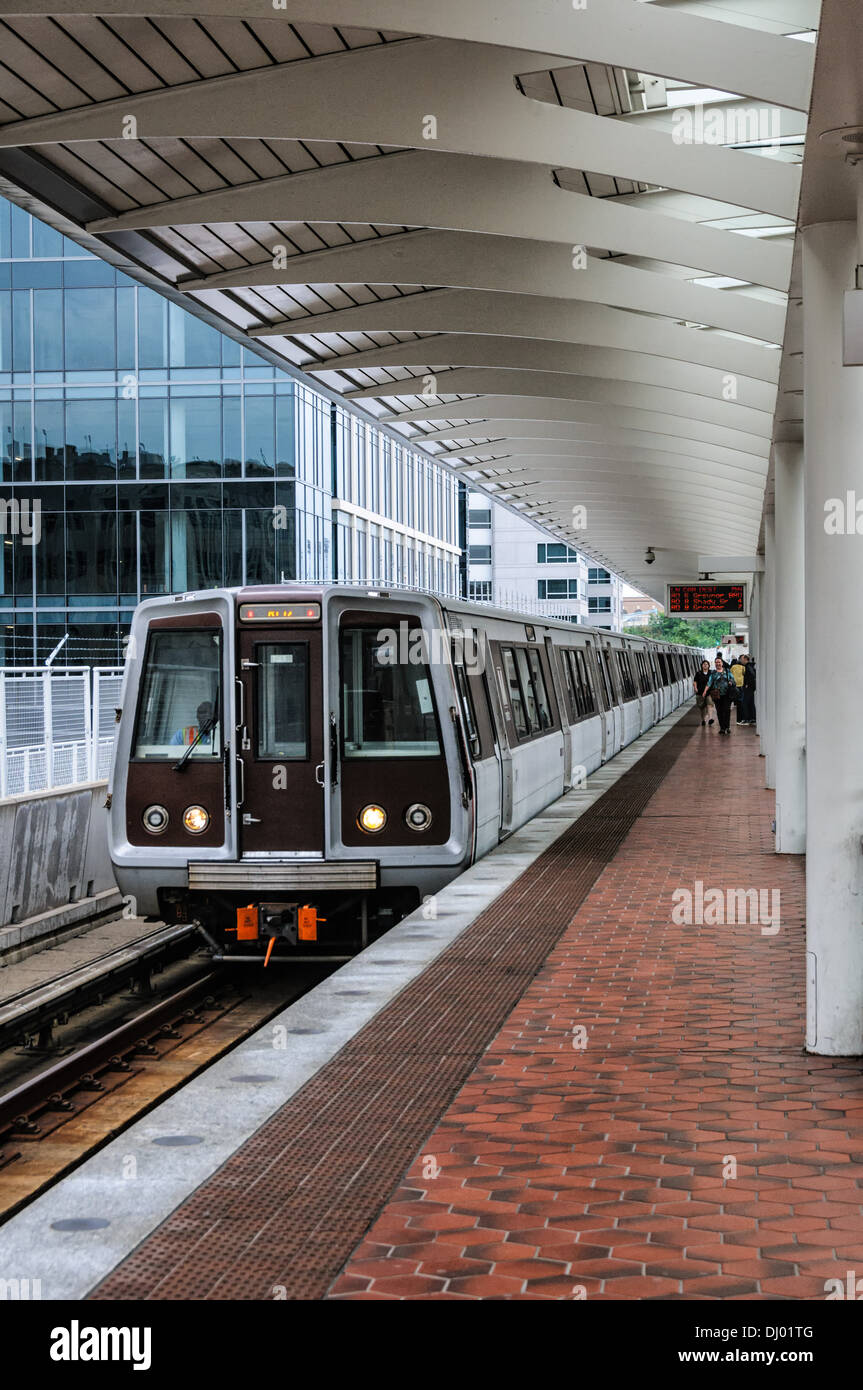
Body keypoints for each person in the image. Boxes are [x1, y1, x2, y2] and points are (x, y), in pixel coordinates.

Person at [705, 656, 736, 736]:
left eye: (719, 662)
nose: (718, 663)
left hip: (727, 694)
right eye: (716, 662)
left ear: (722, 663)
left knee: (726, 710)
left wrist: (731, 682)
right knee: (719, 711)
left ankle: (727, 727)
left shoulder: (727, 671)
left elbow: (733, 679)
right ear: (715, 664)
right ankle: (722, 728)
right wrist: (705, 691)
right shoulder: (713, 673)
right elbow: (709, 682)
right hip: (717, 695)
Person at [693, 659, 714, 726]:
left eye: (706, 664)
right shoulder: (698, 673)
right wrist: (695, 688)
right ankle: (703, 720)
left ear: (708, 665)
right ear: (702, 666)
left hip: (709, 692)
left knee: (709, 705)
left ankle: (710, 719)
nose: (705, 665)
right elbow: (695, 681)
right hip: (700, 692)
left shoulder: (711, 673)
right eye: (704, 664)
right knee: (702, 707)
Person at [740, 654, 757, 725]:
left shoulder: (748, 666)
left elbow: (752, 675)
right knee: (751, 703)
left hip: (748, 688)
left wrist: (747, 684)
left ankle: (746, 719)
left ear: (745, 659)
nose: (741, 660)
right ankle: (752, 719)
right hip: (751, 688)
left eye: (742, 659)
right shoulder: (750, 666)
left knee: (745, 703)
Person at [730, 651, 745, 721]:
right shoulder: (743, 667)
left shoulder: (733, 667)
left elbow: (730, 675)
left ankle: (739, 718)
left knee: (734, 700)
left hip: (734, 686)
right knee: (741, 702)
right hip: (741, 686)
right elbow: (744, 674)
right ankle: (740, 719)